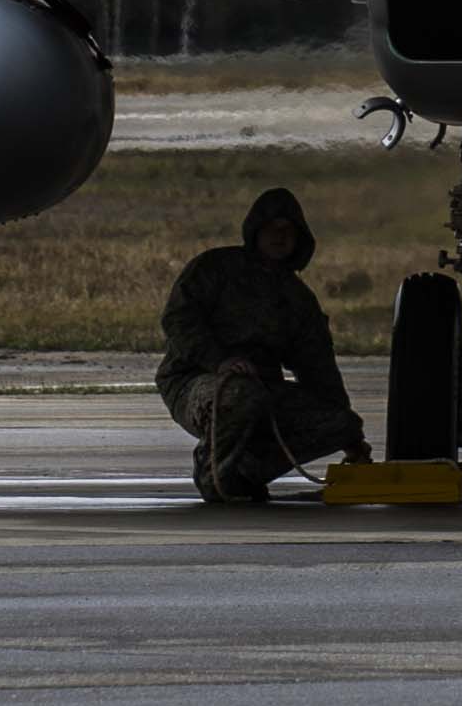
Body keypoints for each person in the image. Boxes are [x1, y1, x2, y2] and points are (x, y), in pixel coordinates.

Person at [156, 187, 372, 504]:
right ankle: (212, 473)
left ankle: (248, 472)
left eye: (288, 230)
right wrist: (219, 361)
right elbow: (178, 321)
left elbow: (318, 368)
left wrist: (350, 437)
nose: (280, 236)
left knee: (340, 421)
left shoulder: (298, 300)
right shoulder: (215, 269)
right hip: (194, 381)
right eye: (272, 227)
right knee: (240, 395)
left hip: (261, 391)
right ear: (256, 230)